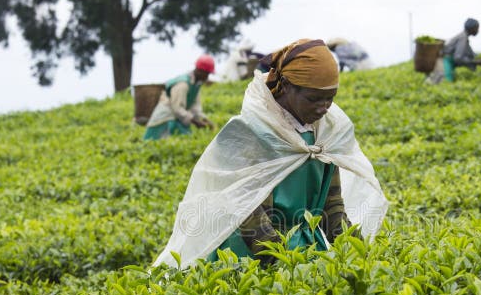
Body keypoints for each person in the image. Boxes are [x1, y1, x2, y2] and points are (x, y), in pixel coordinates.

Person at [153, 38, 388, 269]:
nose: (324, 108)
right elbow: (249, 215)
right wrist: (284, 264)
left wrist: (358, 252)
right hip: (251, 256)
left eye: (330, 98)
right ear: (285, 86)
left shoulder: (325, 133)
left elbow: (332, 205)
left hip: (305, 251)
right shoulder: (249, 133)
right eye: (314, 98)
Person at [143, 55, 216, 140]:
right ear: (199, 71)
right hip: (165, 118)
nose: (207, 77)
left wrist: (204, 119)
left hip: (177, 118)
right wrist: (195, 122)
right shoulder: (183, 84)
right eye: (206, 73)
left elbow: (195, 106)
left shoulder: (196, 85)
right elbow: (177, 108)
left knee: (185, 139)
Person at [427, 18, 481, 84]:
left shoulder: (464, 38)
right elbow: (458, 58)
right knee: (446, 83)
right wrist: (474, 62)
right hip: (445, 61)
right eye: (477, 28)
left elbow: (472, 54)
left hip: (447, 61)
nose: (478, 30)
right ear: (472, 28)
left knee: (444, 84)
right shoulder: (462, 38)